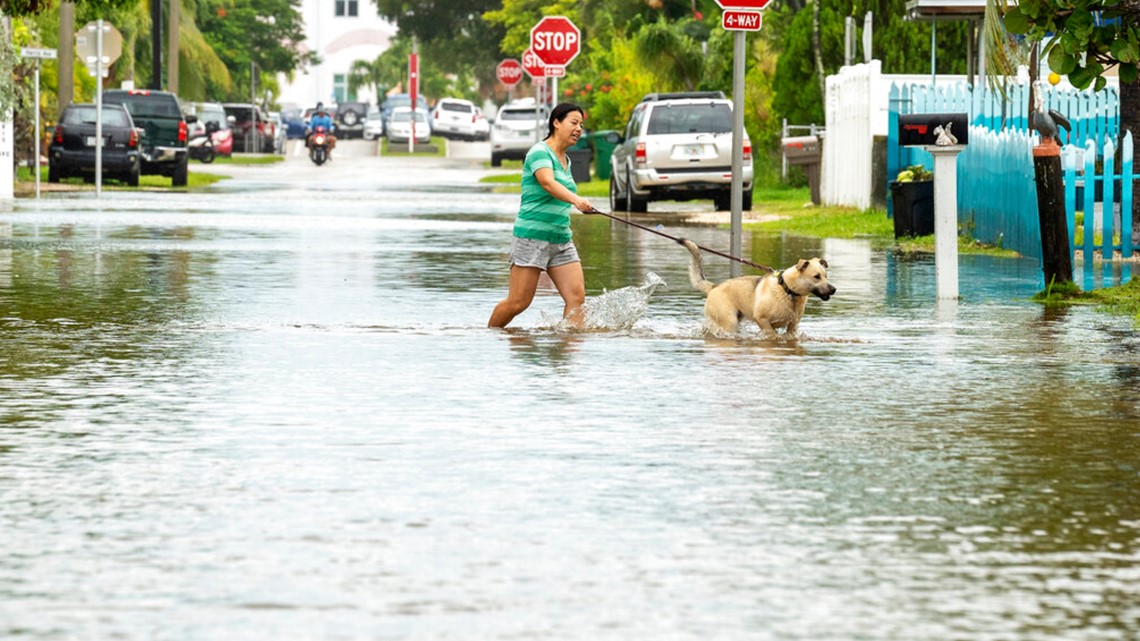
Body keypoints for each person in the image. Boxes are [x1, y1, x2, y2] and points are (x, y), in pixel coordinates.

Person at [488, 103, 594, 329]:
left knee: (576, 299)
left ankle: (569, 353)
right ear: (556, 122)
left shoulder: (567, 160)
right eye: (573, 123)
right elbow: (547, 182)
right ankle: (490, 336)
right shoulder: (539, 152)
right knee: (518, 302)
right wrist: (576, 200)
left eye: (581, 125)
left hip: (561, 239)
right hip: (531, 237)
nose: (578, 129)